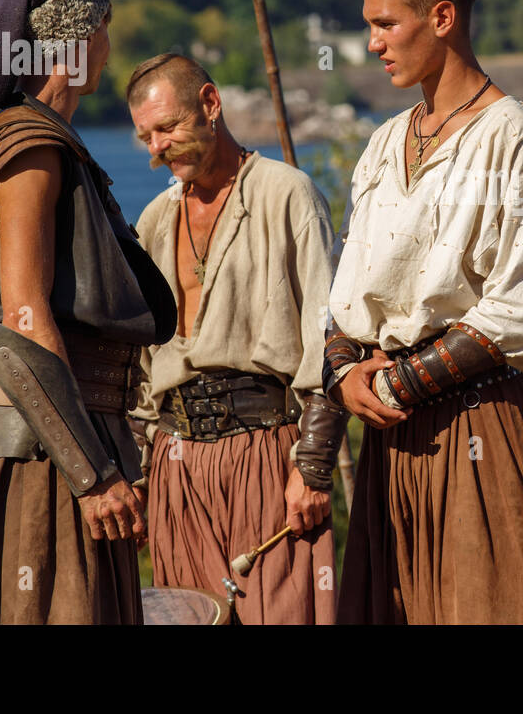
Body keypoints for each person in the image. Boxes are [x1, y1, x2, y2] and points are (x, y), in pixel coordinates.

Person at [325, 0, 523, 624]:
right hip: (390, 436)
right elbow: (346, 298)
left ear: (443, 18)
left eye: (387, 25)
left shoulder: (514, 139)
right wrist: (343, 375)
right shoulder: (384, 143)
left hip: (478, 429)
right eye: (369, 28)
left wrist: (392, 383)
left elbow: (522, 313)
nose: (374, 44)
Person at [0, 0, 177, 624]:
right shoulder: (29, 148)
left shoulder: (36, 139)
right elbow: (24, 320)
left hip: (66, 438)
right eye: (104, 26)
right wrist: (93, 474)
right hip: (47, 449)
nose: (108, 43)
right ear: (79, 38)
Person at [126, 53, 342, 624]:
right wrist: (139, 477)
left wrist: (314, 466)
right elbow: (142, 371)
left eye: (168, 128)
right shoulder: (152, 221)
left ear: (211, 104)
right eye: (146, 136)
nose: (156, 149)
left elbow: (332, 336)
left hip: (268, 455)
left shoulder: (288, 194)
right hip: (177, 467)